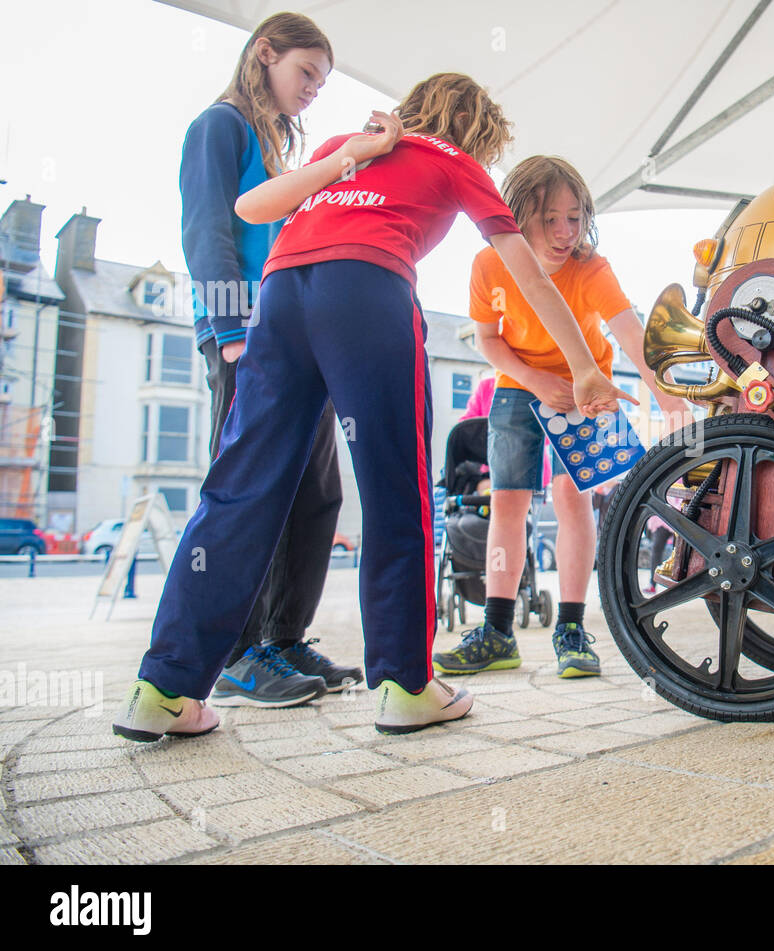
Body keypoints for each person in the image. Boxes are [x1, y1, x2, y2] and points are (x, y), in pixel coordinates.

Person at [113, 73, 631, 742]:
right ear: (474, 132)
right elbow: (526, 270)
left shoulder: (347, 144)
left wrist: (348, 157)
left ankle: (163, 688)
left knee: (237, 487)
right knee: (395, 490)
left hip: (281, 296)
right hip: (367, 290)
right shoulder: (453, 160)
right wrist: (586, 367)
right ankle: (405, 686)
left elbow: (251, 208)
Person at [434, 156, 692, 679]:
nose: (564, 232)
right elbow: (487, 339)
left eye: (574, 217)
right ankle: (498, 630)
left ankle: (571, 629)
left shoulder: (592, 268)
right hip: (517, 387)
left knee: (573, 500)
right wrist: (538, 382)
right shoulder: (489, 264)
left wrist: (669, 397)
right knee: (506, 504)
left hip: (589, 389)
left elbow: (629, 332)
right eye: (550, 218)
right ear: (518, 216)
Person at [180, 12, 357, 708]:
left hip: (291, 337)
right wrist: (228, 328)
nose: (313, 88)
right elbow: (206, 227)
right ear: (265, 54)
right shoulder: (219, 126)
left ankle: (284, 639)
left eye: (321, 79)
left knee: (316, 493)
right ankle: (236, 652)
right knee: (250, 491)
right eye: (305, 72)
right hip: (242, 335)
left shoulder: (274, 143)